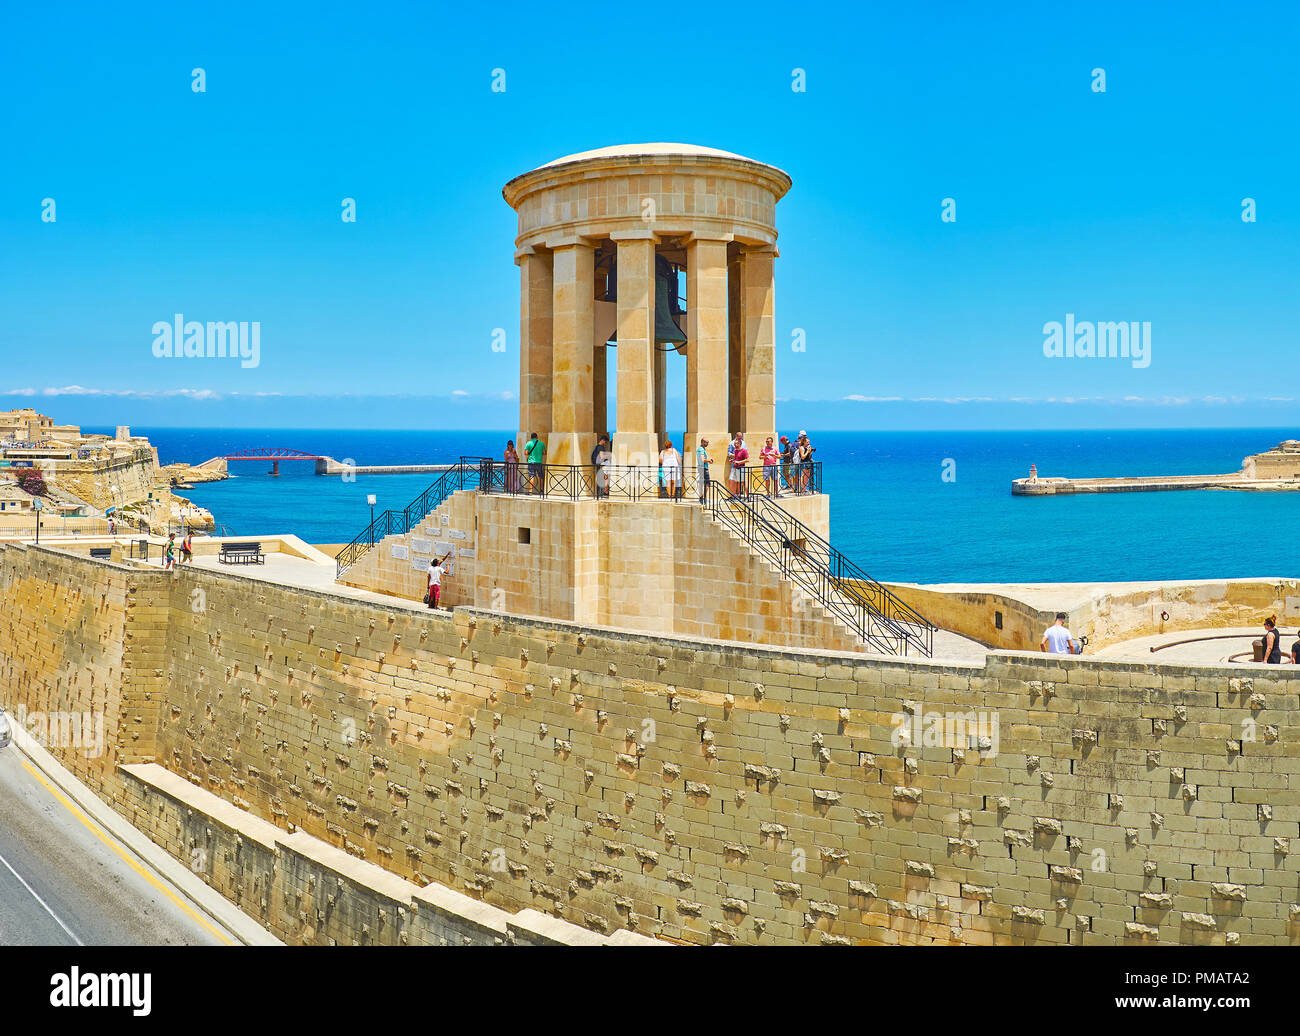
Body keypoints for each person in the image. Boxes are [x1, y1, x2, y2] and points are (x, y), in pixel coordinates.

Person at [696, 437, 712, 503]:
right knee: (707, 484)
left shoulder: (700, 449)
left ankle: (701, 497)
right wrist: (709, 460)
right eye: (706, 442)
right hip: (703, 468)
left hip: (700, 467)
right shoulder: (701, 450)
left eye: (707, 442)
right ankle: (703, 498)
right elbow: (702, 460)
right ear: (702, 442)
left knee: (701, 483)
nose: (707, 444)